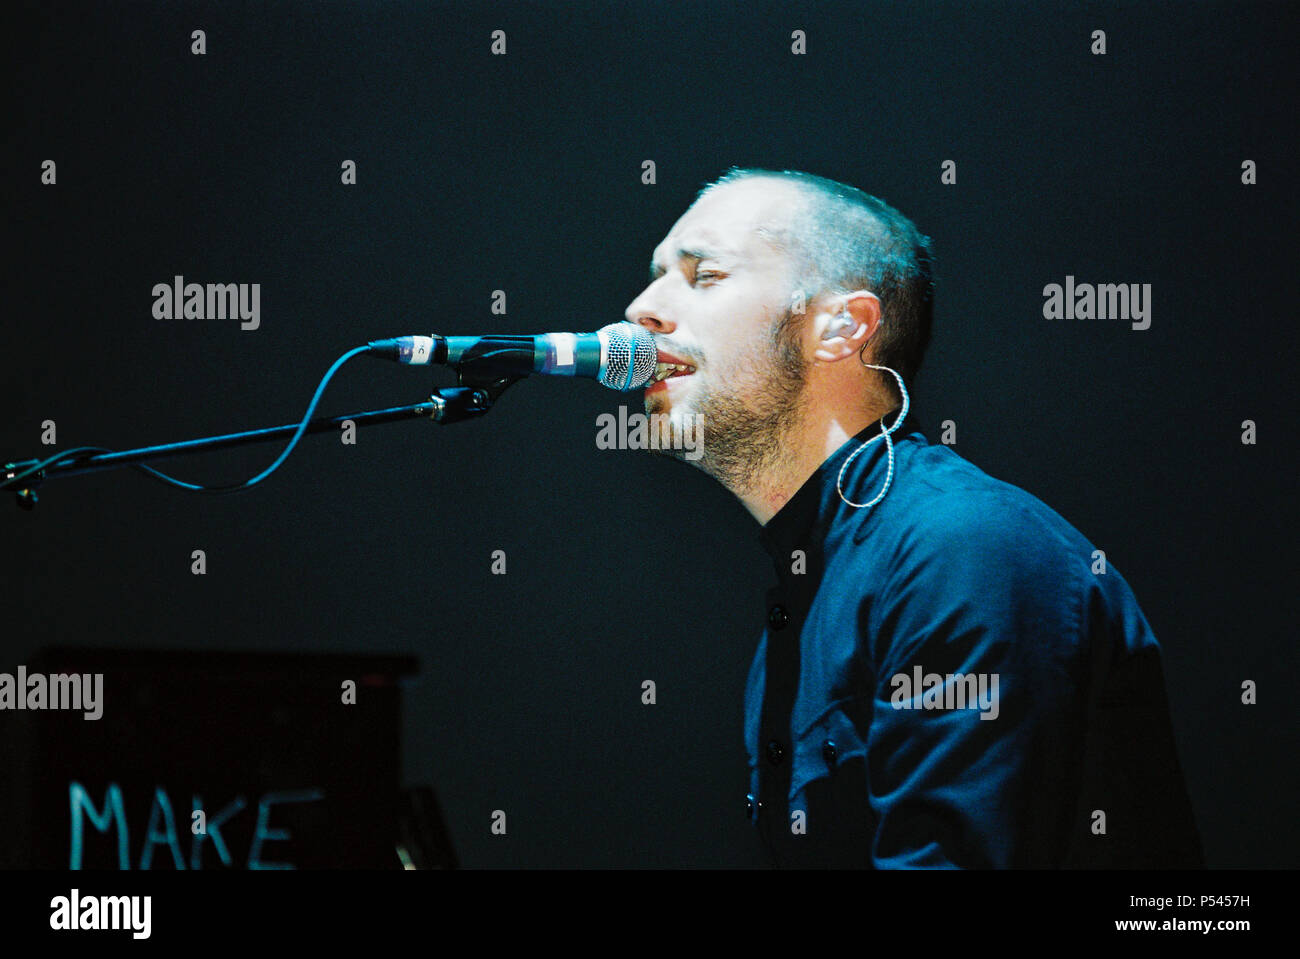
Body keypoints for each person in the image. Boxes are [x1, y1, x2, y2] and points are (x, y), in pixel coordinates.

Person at [622, 167, 1204, 868]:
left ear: (844, 327)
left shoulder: (964, 548)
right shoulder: (820, 584)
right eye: (655, 276)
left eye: (703, 274)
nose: (641, 309)